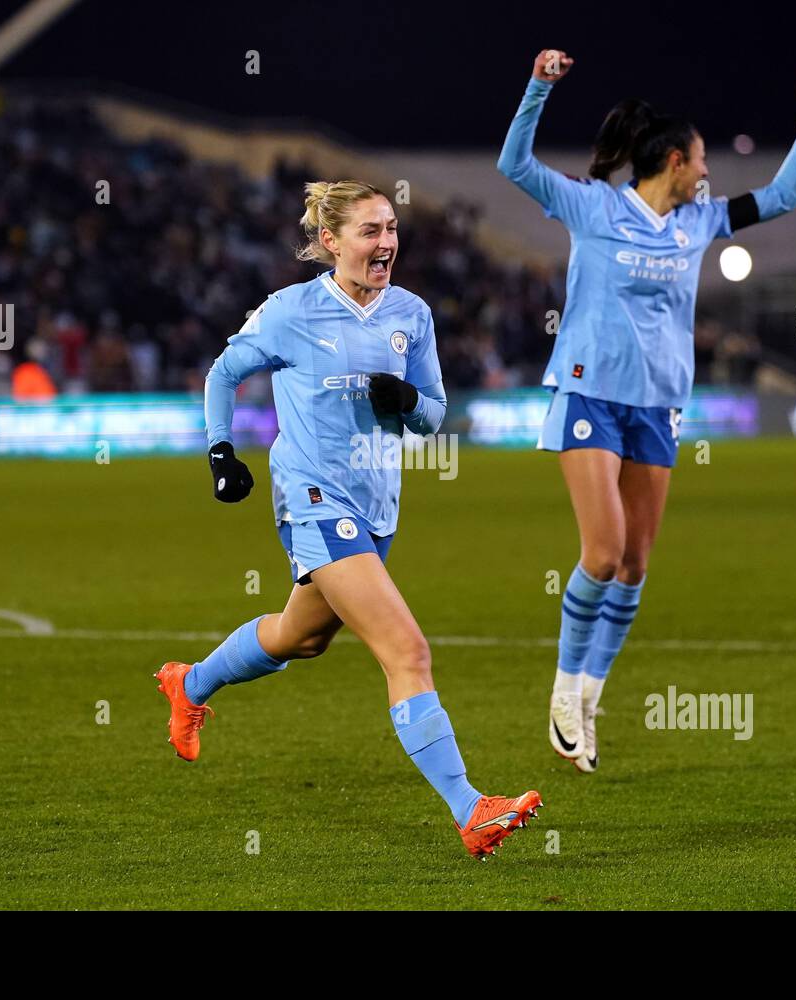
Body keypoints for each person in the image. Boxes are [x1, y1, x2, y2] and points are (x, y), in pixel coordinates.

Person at [155, 180, 542, 858]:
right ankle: (470, 809)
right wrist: (221, 451)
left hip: (376, 508)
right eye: (370, 231)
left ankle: (190, 684)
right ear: (332, 242)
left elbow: (433, 417)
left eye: (391, 229)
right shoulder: (289, 312)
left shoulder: (411, 315)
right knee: (408, 651)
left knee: (299, 638)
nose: (386, 243)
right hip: (312, 498)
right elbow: (223, 373)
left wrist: (406, 399)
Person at [498, 49, 796, 773]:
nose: (709, 170)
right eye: (703, 158)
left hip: (658, 407)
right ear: (675, 161)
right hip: (589, 393)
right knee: (603, 552)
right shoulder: (591, 205)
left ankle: (590, 695)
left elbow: (781, 197)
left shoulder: (701, 222)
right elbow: (514, 166)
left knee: (636, 565)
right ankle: (562, 690)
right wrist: (537, 88)